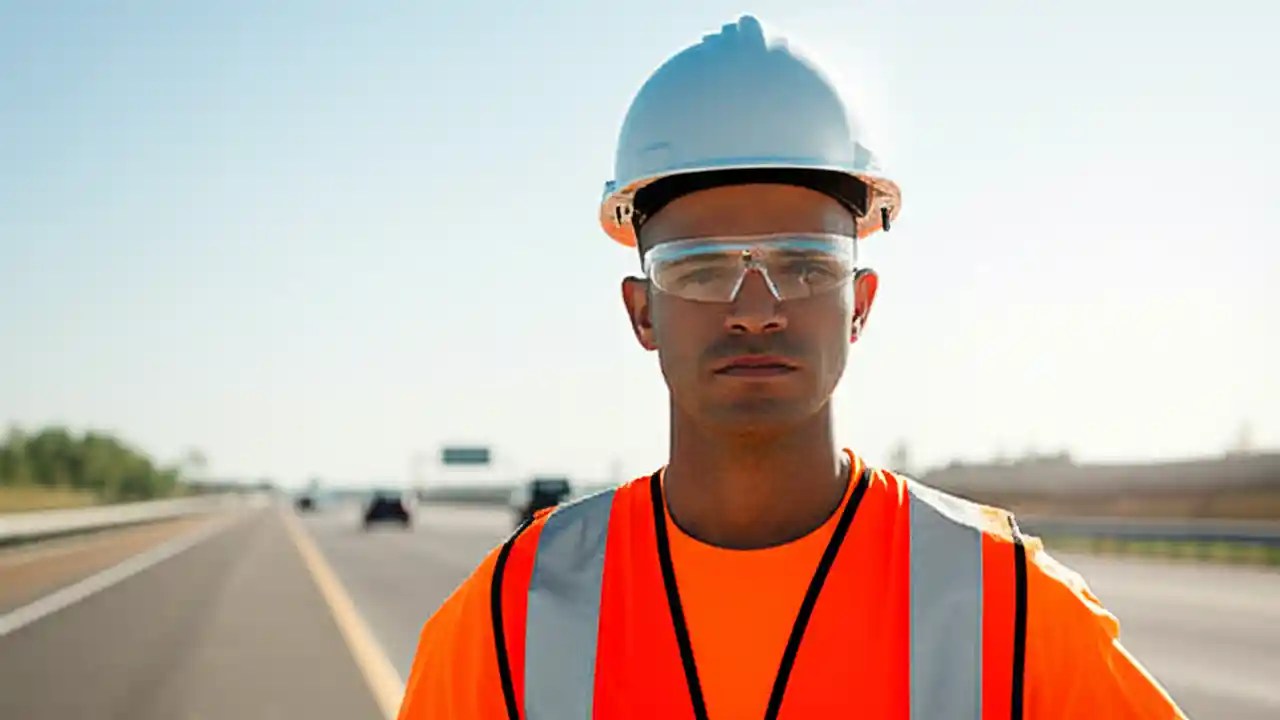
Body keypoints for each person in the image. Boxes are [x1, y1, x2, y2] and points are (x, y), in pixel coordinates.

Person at [397, 15, 1186, 719]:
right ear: (642, 311)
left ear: (861, 304)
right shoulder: (511, 618)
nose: (753, 307)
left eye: (805, 265)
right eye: (701, 269)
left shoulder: (1006, 609)